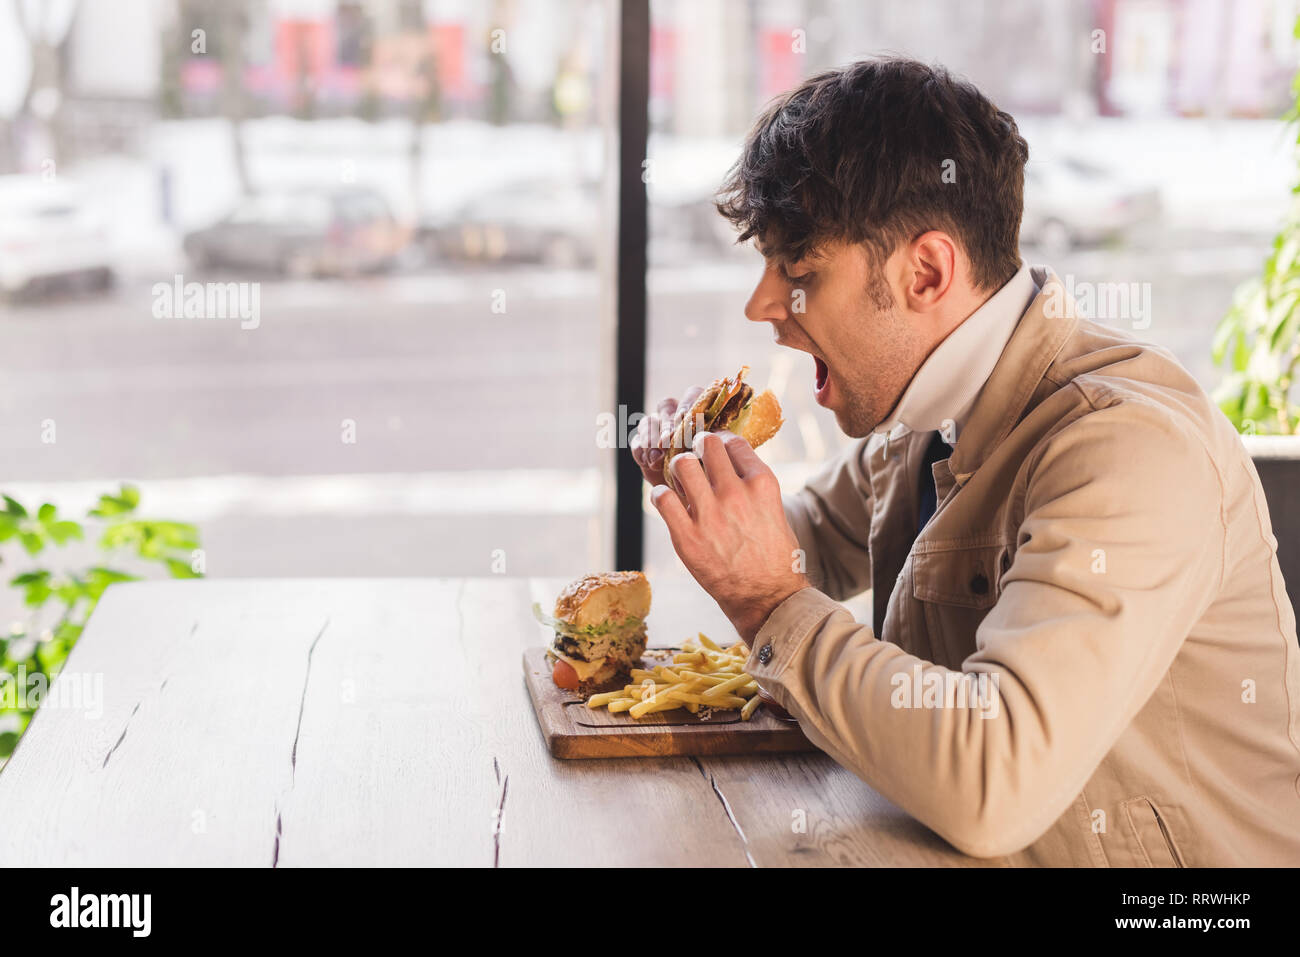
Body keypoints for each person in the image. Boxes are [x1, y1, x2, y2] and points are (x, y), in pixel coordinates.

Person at [630, 57, 1300, 866]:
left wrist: (769, 603)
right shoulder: (922, 412)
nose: (762, 305)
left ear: (927, 272)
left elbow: (995, 779)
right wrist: (699, 478)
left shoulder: (1126, 450)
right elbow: (801, 540)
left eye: (800, 271)